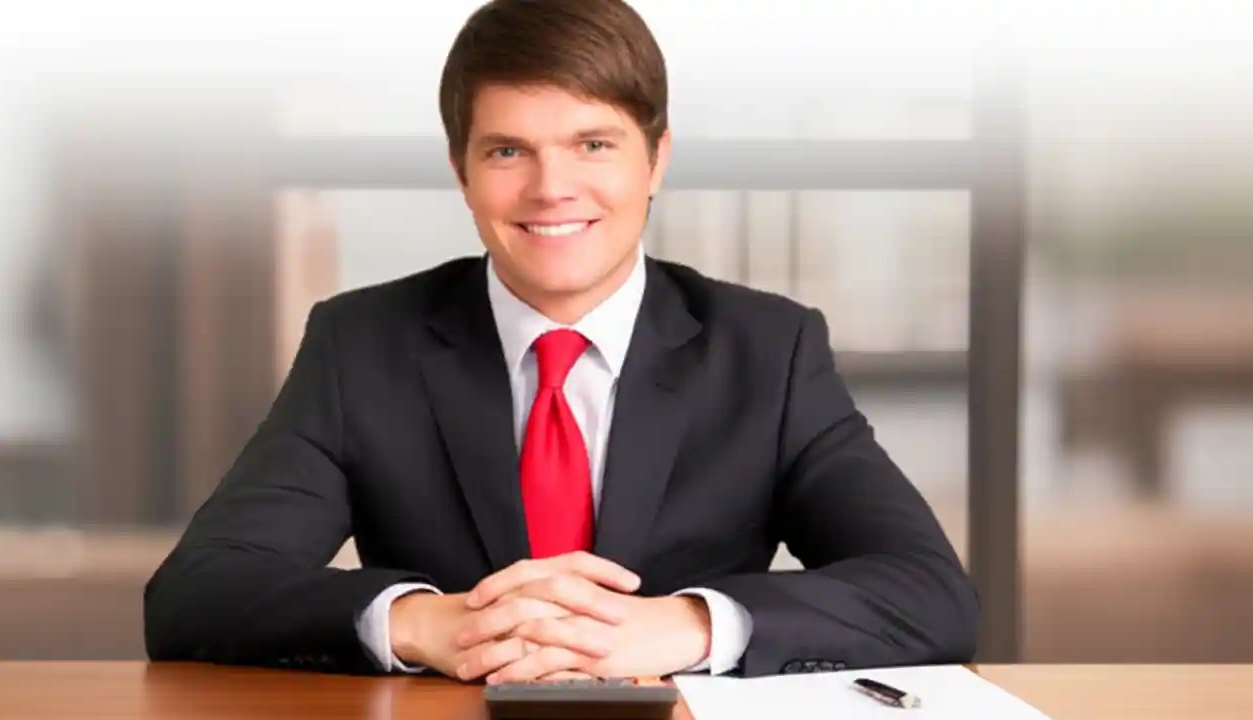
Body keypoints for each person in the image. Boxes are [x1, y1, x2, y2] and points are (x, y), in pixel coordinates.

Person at [143, 0, 978, 681]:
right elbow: (194, 593)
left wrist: (684, 626)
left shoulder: (770, 350)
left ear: (655, 159)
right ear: (461, 169)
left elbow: (930, 594)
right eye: (508, 150)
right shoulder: (362, 345)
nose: (551, 189)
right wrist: (422, 620)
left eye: (593, 144)